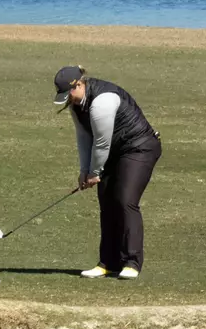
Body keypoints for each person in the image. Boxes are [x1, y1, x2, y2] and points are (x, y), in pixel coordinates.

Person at [54, 66, 162, 279]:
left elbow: (102, 143)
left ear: (79, 84)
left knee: (125, 200)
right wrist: (84, 171)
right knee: (107, 200)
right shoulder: (76, 104)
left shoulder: (102, 101)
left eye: (70, 94)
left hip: (139, 148)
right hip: (115, 150)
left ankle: (132, 262)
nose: (69, 99)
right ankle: (108, 263)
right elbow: (84, 138)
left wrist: (95, 172)